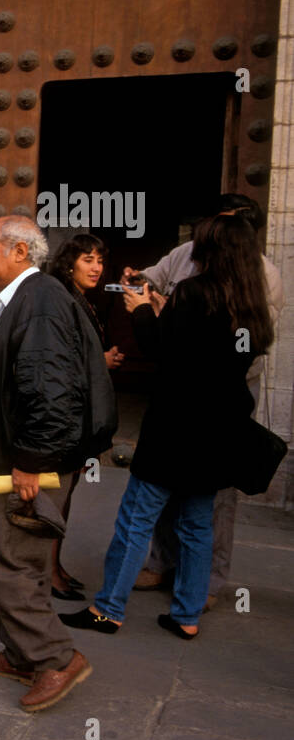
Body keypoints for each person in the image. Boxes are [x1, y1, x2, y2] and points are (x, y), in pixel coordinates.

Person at [63, 214, 272, 641]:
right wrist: (164, 313)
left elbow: (166, 352)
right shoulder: (250, 306)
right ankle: (187, 615)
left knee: (136, 519)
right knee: (197, 526)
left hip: (176, 430)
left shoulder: (195, 293)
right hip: (218, 432)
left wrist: (143, 312)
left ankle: (108, 610)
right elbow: (216, 357)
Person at [0, 215, 115, 713]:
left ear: (18, 253)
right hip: (16, 458)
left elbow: (51, 393)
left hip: (28, 462)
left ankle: (55, 657)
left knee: (3, 554)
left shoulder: (38, 301)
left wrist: (30, 463)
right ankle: (22, 654)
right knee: (24, 557)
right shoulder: (35, 298)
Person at [126, 195, 285, 611]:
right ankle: (162, 563)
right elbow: (153, 277)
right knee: (167, 480)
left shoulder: (264, 276)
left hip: (222, 396)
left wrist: (161, 320)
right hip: (178, 389)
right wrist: (140, 283)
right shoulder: (186, 258)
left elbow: (242, 347)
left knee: (212, 494)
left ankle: (208, 580)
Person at [43, 234, 122, 601]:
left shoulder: (80, 298)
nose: (95, 267)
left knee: (67, 494)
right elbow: (54, 359)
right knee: (55, 497)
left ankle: (54, 565)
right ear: (69, 261)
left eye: (100, 261)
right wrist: (99, 362)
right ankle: (46, 572)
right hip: (64, 418)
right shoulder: (61, 297)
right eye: (88, 259)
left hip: (78, 418)